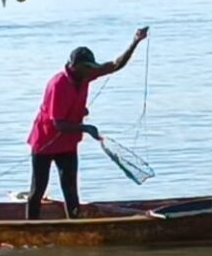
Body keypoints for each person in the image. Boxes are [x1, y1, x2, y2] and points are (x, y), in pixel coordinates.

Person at [25, 27, 149, 220]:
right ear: (75, 66)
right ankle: (30, 227)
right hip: (45, 142)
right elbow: (58, 124)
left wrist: (135, 41)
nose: (91, 70)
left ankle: (75, 226)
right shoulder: (58, 84)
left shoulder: (85, 75)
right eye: (87, 67)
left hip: (67, 144)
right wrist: (86, 128)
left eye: (92, 67)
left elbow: (115, 65)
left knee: (70, 189)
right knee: (38, 189)